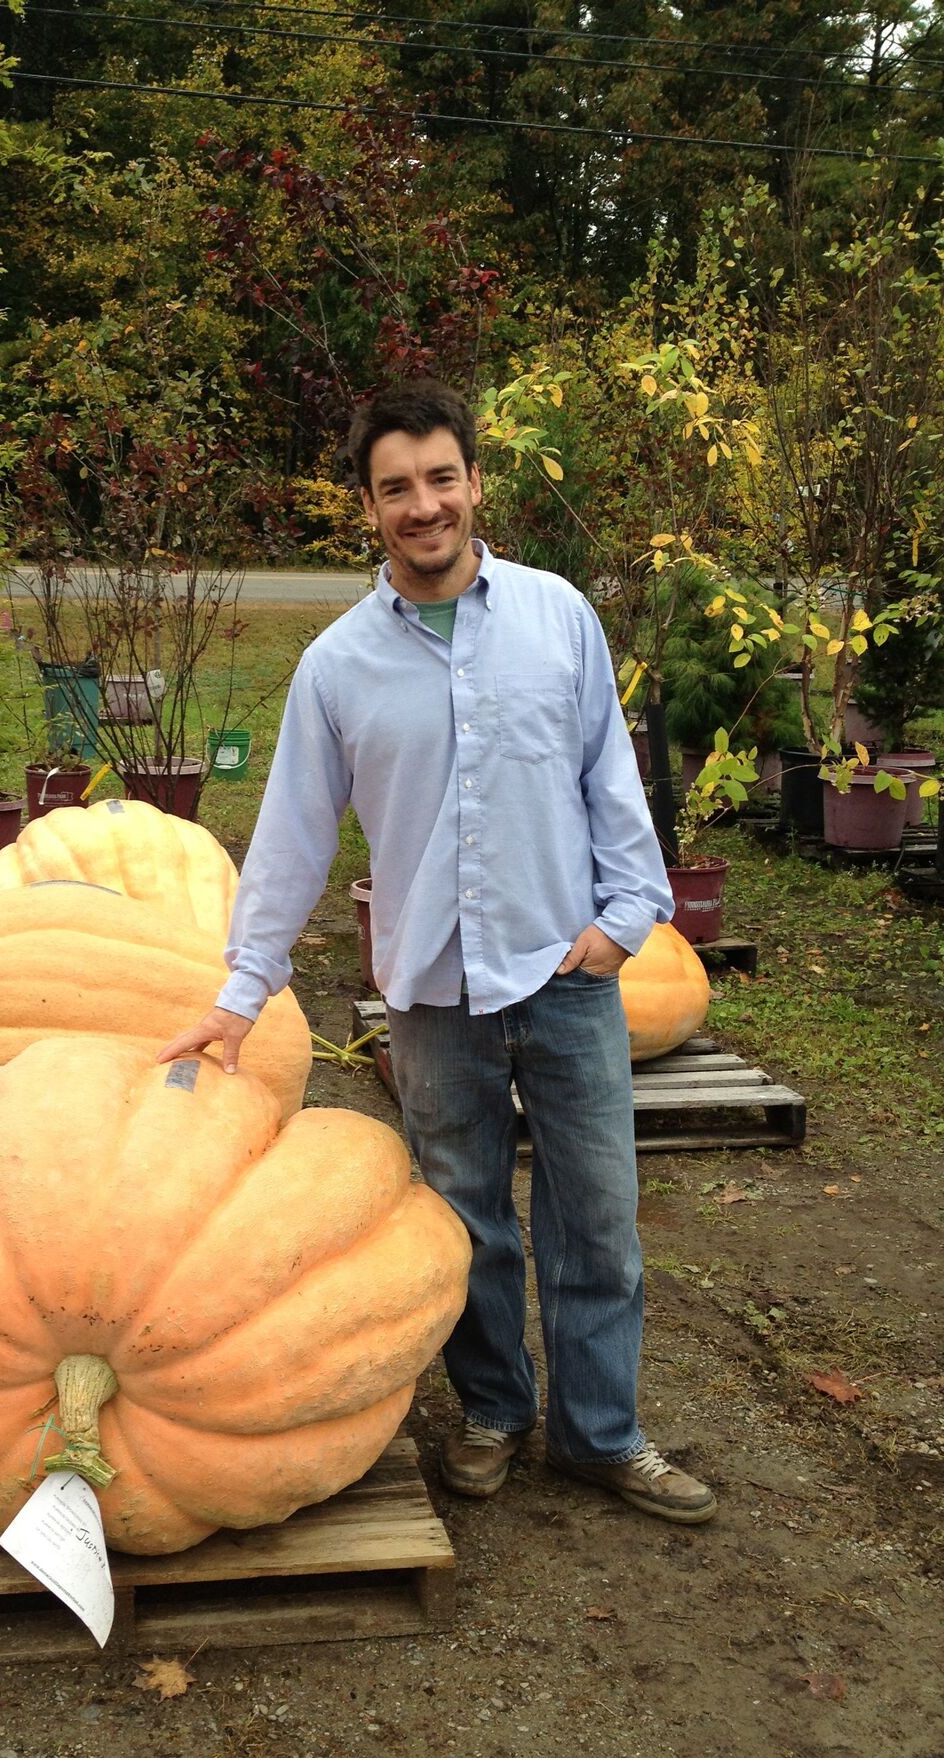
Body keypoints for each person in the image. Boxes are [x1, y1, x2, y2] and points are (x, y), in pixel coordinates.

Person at [158, 378, 715, 1526]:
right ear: (366, 508)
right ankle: (496, 1414)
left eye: (440, 478)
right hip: (428, 995)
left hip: (563, 979)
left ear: (473, 483)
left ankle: (600, 1437)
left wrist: (625, 921)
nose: (423, 506)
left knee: (596, 1222)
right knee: (461, 1225)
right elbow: (289, 843)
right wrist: (239, 990)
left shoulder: (559, 617)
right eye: (395, 487)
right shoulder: (335, 668)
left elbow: (611, 780)